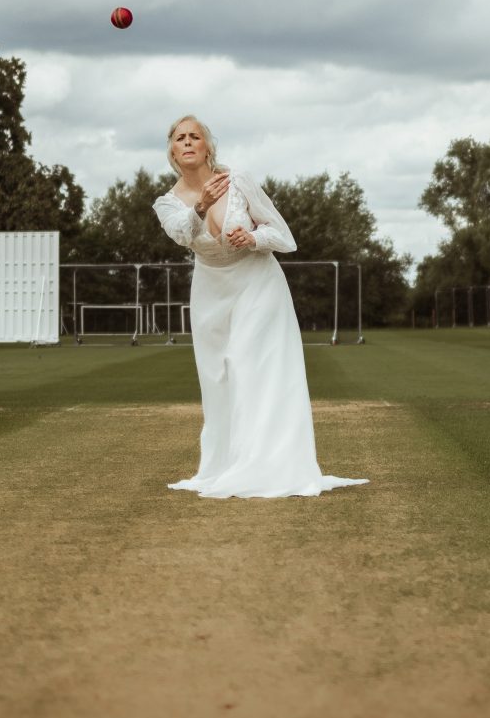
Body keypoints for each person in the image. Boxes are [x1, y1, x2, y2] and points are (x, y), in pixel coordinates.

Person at [151, 116, 366, 499]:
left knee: (249, 365)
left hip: (257, 282)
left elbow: (284, 236)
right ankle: (226, 463)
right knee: (218, 379)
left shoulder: (239, 181)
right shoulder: (166, 203)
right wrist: (201, 206)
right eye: (180, 138)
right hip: (210, 292)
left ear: (207, 146)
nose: (187, 142)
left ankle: (266, 464)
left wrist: (252, 238)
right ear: (172, 150)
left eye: (195, 136)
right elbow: (182, 235)